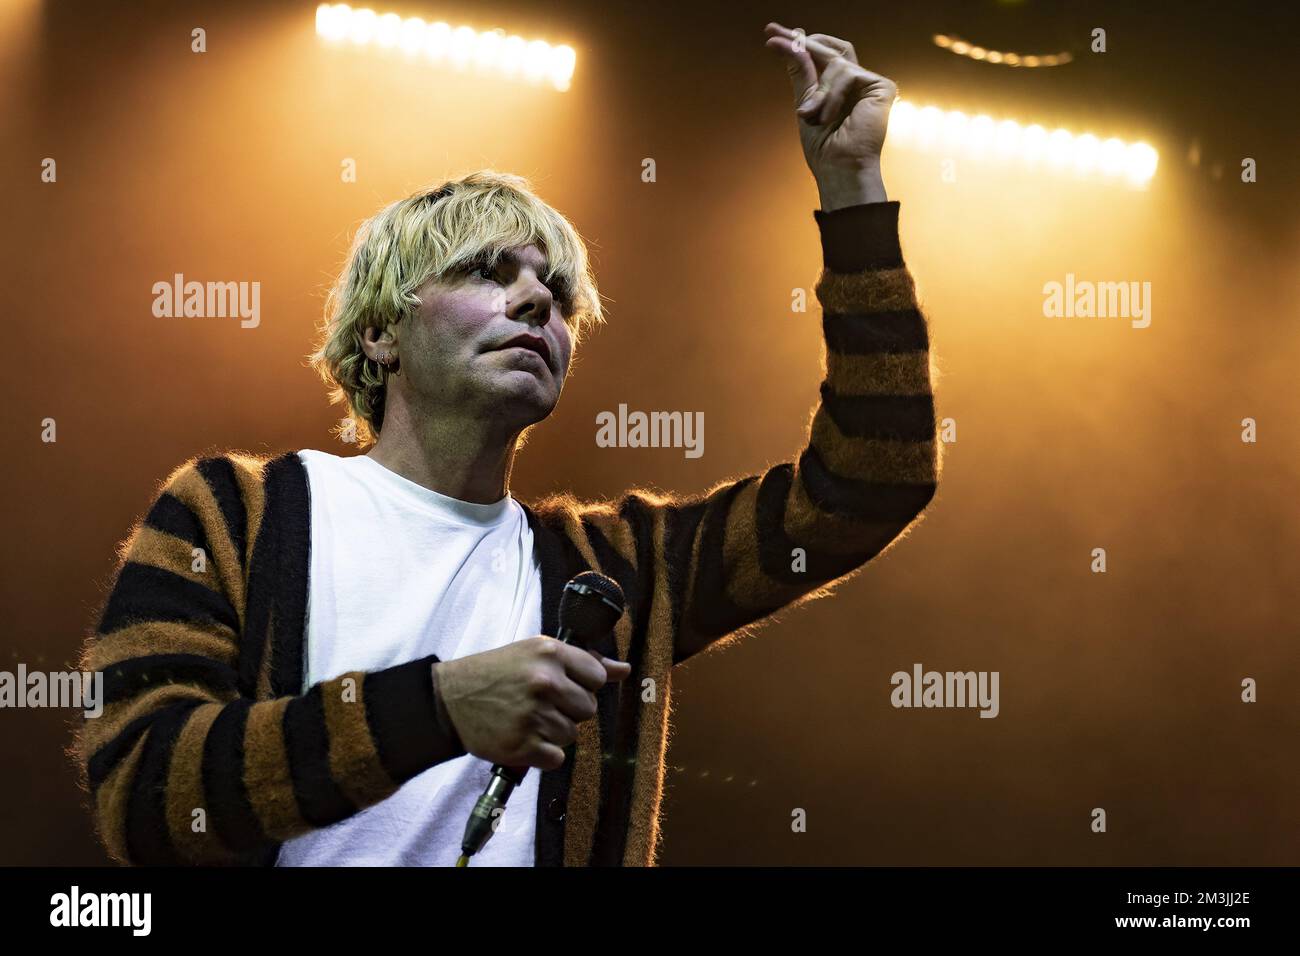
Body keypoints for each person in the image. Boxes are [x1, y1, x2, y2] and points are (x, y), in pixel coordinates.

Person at [73, 22, 940, 866]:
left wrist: (852, 185)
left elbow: (869, 481)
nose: (537, 302)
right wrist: (439, 705)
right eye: (489, 271)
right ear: (380, 333)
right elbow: (145, 797)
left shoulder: (617, 571)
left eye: (557, 293)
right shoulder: (232, 514)